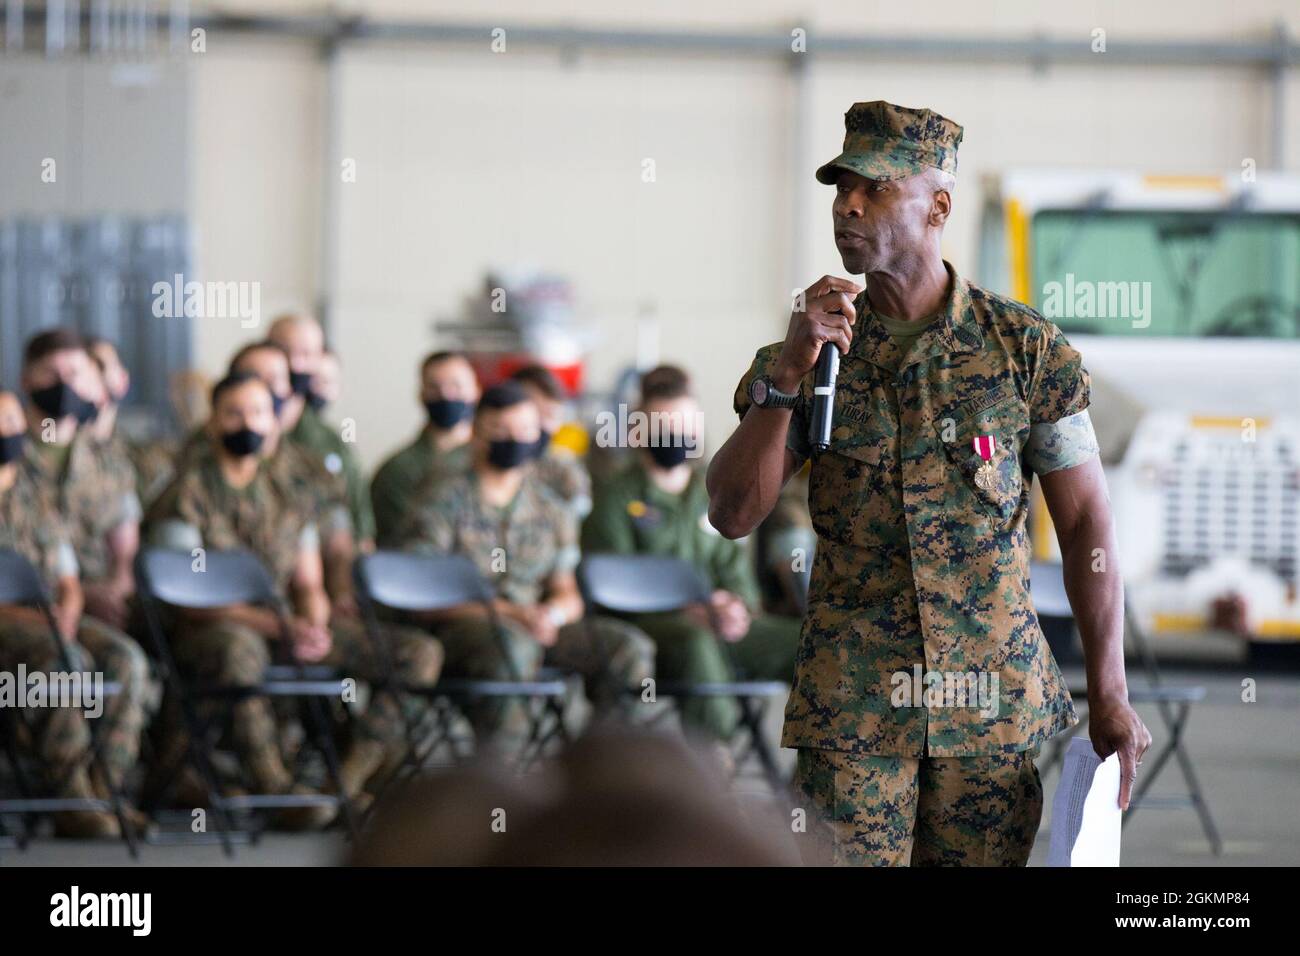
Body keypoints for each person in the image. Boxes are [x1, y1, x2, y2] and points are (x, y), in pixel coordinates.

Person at [707, 101, 1152, 866]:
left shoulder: (1025, 350)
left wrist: (1108, 690)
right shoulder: (808, 354)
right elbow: (731, 512)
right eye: (841, 188)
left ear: (937, 206)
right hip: (855, 707)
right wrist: (786, 376)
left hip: (987, 704)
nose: (848, 205)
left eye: (875, 189)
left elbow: (1086, 528)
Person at [145, 372, 443, 827]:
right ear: (213, 422)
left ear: (275, 422)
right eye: (234, 413)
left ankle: (342, 783)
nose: (248, 423)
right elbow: (187, 595)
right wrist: (276, 627)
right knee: (237, 649)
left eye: (259, 413)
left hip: (285, 625)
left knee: (417, 654)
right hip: (210, 630)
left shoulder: (287, 493)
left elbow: (308, 580)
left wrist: (315, 624)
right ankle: (276, 789)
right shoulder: (184, 494)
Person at [399, 381, 653, 753]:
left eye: (524, 431)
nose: (513, 440)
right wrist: (511, 614)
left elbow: (566, 588)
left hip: (536, 626)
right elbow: (420, 592)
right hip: (464, 628)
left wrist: (552, 614)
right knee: (512, 645)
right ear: (475, 433)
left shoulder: (550, 507)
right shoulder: (442, 499)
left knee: (627, 647)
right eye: (500, 431)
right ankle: (504, 784)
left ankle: (607, 773)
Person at [582, 365, 799, 744]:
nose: (673, 436)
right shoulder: (614, 496)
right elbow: (612, 587)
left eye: (682, 426)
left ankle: (813, 776)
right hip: (653, 627)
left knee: (807, 642)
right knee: (695, 642)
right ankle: (716, 762)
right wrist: (690, 610)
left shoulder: (715, 495)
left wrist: (734, 607)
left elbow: (736, 575)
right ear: (637, 431)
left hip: (722, 624)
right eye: (660, 426)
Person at [0, 383, 150, 838]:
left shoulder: (34, 492)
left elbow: (66, 573)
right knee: (68, 661)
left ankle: (106, 793)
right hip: (14, 624)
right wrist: (49, 623)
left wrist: (67, 610)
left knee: (126, 658)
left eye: (10, 422)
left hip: (50, 617)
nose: (6, 431)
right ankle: (70, 797)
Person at [268, 313, 375, 550]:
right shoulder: (225, 433)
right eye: (285, 351)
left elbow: (361, 530)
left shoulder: (332, 444)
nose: (295, 363)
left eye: (306, 354)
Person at [370, 350, 479, 548]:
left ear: (475, 390)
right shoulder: (398, 470)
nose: (446, 395)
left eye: (456, 385)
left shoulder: (489, 461)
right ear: (421, 394)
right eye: (435, 387)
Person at [510, 364, 592, 519]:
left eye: (550, 416)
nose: (540, 424)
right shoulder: (477, 460)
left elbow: (576, 514)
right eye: (534, 412)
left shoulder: (564, 469)